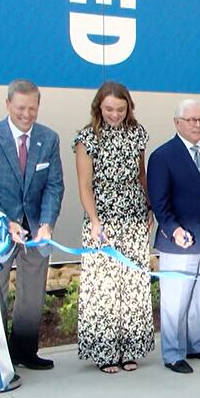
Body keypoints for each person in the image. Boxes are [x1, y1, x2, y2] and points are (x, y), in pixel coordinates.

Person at [0, 79, 65, 370]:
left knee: (32, 296)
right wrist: (5, 223)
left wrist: (46, 223)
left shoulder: (49, 138)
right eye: (21, 107)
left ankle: (24, 352)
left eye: (32, 108)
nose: (26, 114)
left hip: (35, 232)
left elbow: (54, 186)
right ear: (8, 104)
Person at [72, 81, 154, 374]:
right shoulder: (87, 138)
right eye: (109, 109)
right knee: (104, 287)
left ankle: (130, 349)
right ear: (98, 107)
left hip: (133, 213)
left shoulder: (137, 133)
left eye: (120, 109)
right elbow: (84, 185)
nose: (115, 114)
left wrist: (149, 207)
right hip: (102, 217)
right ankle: (105, 352)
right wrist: (95, 220)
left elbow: (142, 175)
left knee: (132, 284)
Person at [147, 99, 200, 374]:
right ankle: (173, 354)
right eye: (191, 120)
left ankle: (195, 344)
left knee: (198, 297)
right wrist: (174, 230)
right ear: (177, 123)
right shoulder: (163, 156)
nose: (197, 124)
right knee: (176, 299)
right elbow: (159, 203)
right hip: (179, 242)